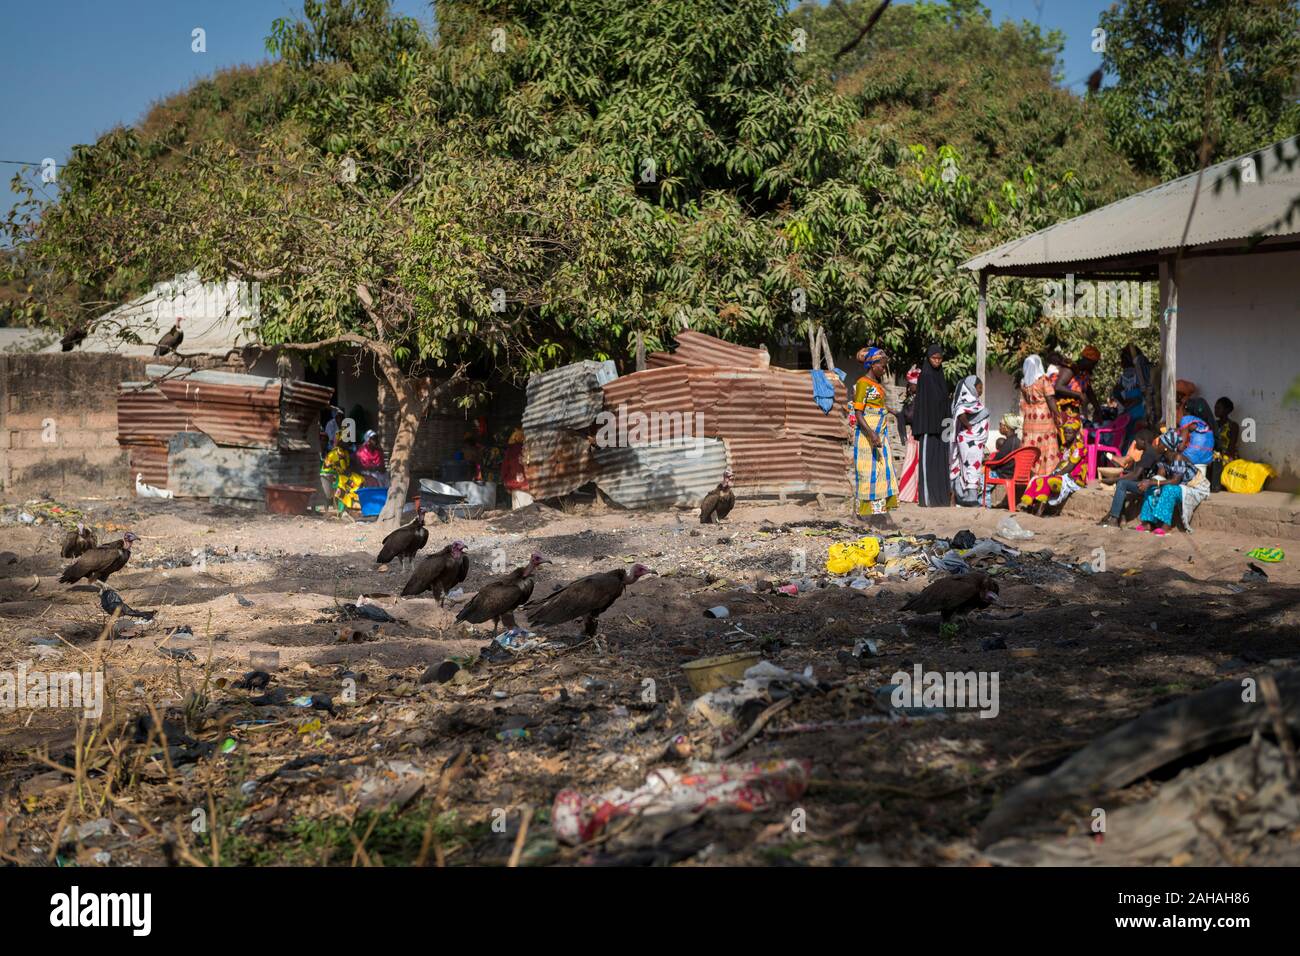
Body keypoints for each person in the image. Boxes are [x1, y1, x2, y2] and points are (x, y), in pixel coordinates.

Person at [852, 347, 898, 524]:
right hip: (868, 435)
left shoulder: (876, 385)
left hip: (880, 433)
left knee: (882, 472)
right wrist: (871, 434)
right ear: (872, 365)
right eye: (882, 366)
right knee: (868, 472)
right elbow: (858, 413)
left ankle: (878, 513)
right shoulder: (863, 383)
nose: (884, 369)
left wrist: (894, 412)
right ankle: (864, 515)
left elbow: (878, 407)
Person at [1134, 431, 1209, 535]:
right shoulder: (1163, 459)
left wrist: (1152, 482)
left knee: (1169, 489)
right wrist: (1150, 482)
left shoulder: (1178, 457)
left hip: (1195, 488)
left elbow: (1175, 481)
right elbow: (1159, 478)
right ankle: (1148, 522)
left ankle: (1166, 526)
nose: (1156, 445)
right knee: (1152, 486)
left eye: (1159, 443)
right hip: (1180, 486)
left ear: (1165, 447)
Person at [912, 343, 951, 507]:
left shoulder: (941, 377)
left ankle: (941, 499)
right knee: (928, 464)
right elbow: (923, 405)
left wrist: (947, 425)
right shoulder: (925, 377)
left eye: (940, 358)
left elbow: (944, 403)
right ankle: (928, 500)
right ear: (928, 359)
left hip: (941, 428)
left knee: (941, 465)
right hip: (928, 428)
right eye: (934, 358)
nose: (937, 361)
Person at [1019, 421, 1086, 514]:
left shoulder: (1079, 447)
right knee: (1036, 480)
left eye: (1070, 432)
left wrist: (1056, 475)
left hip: (1073, 477)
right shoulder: (1065, 446)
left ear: (1076, 433)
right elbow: (1061, 462)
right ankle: (1031, 506)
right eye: (1066, 432)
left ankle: (1040, 511)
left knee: (1048, 481)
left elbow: (1071, 466)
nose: (1067, 435)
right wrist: (1053, 472)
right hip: (1063, 474)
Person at [1097, 431, 1160, 527]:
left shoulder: (1148, 454)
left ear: (1144, 441)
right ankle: (1121, 518)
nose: (1135, 444)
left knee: (1122, 484)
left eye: (1136, 441)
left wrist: (1114, 480)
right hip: (1145, 482)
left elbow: (1135, 475)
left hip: (1149, 486)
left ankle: (1114, 518)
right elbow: (1136, 474)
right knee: (1121, 487)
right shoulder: (1148, 452)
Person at [949, 375, 988, 507]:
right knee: (971, 466)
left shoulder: (972, 401)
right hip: (970, 441)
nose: (981, 389)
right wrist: (969, 427)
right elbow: (960, 413)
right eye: (979, 387)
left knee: (970, 466)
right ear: (971, 387)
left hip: (975, 442)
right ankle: (970, 497)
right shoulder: (966, 401)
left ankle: (963, 496)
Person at [1019, 355, 1060, 479]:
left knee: (1031, 444)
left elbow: (1025, 401)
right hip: (1043, 417)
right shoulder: (1043, 380)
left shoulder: (1024, 383)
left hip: (1030, 418)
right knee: (1045, 444)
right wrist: (1057, 414)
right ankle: (1045, 474)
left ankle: (1029, 473)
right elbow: (1050, 398)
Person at [320, 435, 364, 513]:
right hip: (330, 475)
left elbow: (346, 467)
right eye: (345, 441)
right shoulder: (338, 451)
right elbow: (344, 469)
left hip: (337, 474)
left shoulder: (344, 451)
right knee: (354, 481)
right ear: (340, 441)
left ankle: (351, 504)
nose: (348, 443)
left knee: (358, 480)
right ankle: (348, 504)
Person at [897, 367, 921, 503]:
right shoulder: (913, 398)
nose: (909, 387)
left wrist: (899, 414)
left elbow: (910, 416)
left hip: (918, 435)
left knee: (914, 463)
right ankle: (911, 493)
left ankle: (911, 494)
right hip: (914, 434)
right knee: (913, 462)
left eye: (911, 384)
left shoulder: (918, 399)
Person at [1210, 397, 1240, 492]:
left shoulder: (1232, 426)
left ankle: (1216, 485)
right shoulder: (1213, 424)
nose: (1215, 410)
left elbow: (1231, 446)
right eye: (1215, 408)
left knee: (1216, 460)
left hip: (1227, 455)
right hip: (1214, 453)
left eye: (1218, 408)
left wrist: (1222, 454)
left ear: (1227, 410)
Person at [1178, 397, 1216, 466]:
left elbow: (1181, 445)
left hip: (1192, 458)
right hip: (1207, 459)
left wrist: (1178, 449)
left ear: (1185, 410)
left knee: (1172, 455)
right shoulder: (1204, 423)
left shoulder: (1186, 419)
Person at [991, 414, 1022, 478]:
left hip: (1004, 475)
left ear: (1006, 428)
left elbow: (994, 463)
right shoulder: (1018, 441)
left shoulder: (1008, 443)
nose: (999, 427)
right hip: (1012, 474)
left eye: (1000, 425)